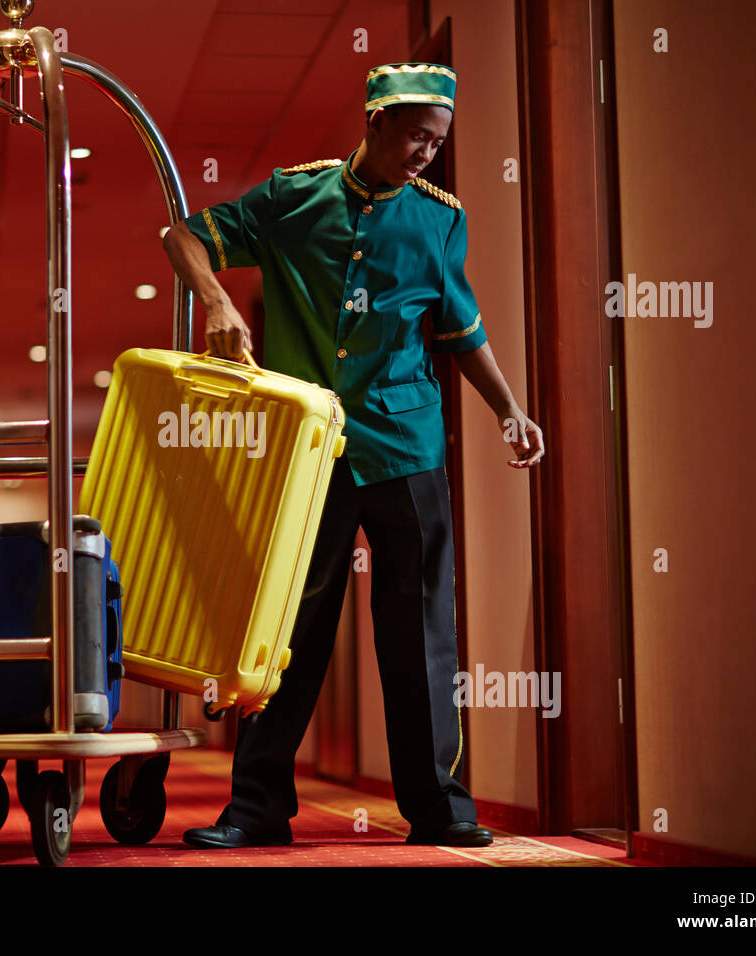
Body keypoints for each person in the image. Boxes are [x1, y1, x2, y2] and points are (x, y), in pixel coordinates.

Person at [163, 62, 545, 849]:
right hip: (308, 454)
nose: (425, 156)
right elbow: (185, 234)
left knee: (420, 630)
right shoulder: (291, 198)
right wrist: (217, 298)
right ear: (375, 120)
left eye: (436, 144)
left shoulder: (440, 221)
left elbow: (460, 330)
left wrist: (509, 409)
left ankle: (439, 807)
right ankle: (258, 807)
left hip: (407, 447)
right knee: (286, 632)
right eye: (415, 137)